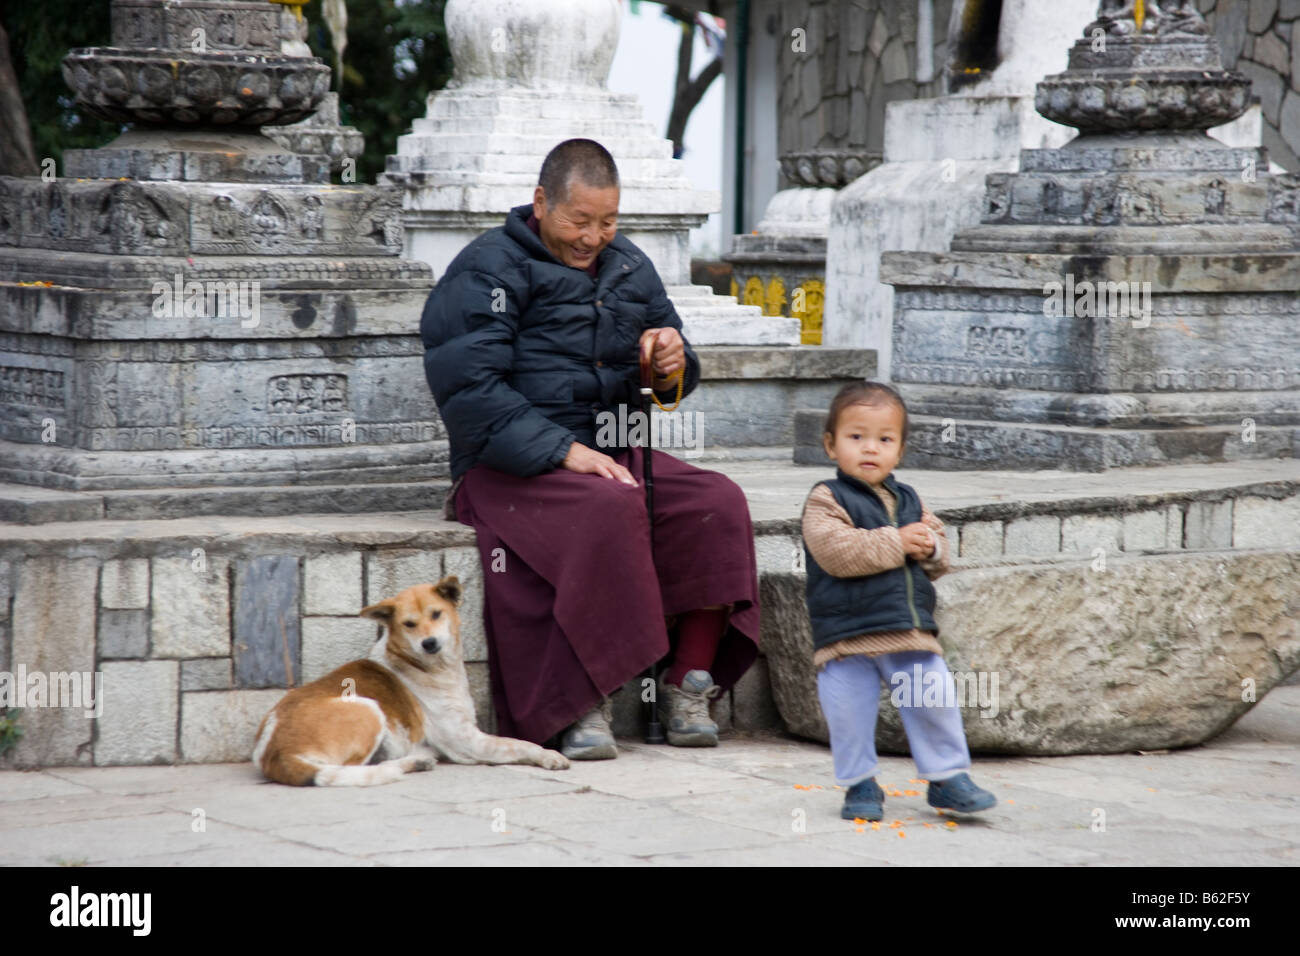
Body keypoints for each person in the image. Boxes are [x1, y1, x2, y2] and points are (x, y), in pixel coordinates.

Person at [419, 138, 760, 759]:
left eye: (608, 222)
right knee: (607, 507)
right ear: (542, 202)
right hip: (508, 465)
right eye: (579, 220)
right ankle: (582, 701)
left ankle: (687, 682)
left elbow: (668, 371)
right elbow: (469, 390)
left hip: (611, 452)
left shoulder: (630, 266)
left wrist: (669, 366)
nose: (593, 237)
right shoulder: (486, 270)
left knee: (716, 501)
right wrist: (561, 451)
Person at [800, 381, 996, 820]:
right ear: (831, 445)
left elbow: (938, 548)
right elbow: (836, 553)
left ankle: (947, 778)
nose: (870, 448)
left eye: (884, 439)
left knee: (933, 696)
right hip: (846, 637)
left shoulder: (910, 499)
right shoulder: (826, 499)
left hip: (907, 630)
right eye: (856, 437)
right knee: (848, 714)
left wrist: (931, 549)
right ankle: (860, 784)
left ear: (900, 449)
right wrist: (898, 541)